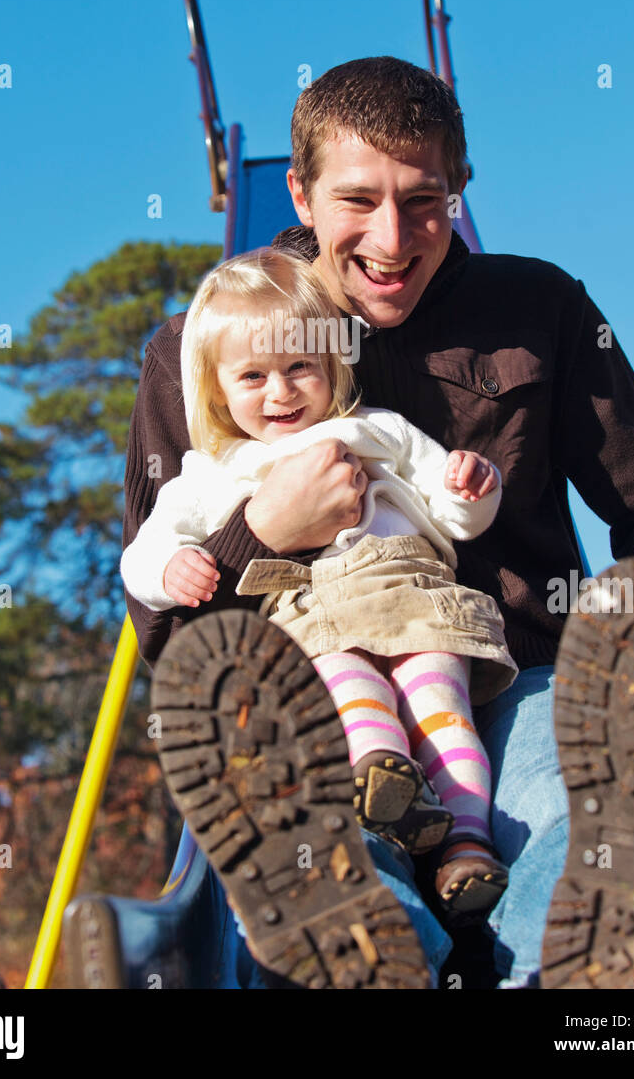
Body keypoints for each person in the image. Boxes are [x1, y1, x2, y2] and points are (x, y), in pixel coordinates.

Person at [123, 55, 634, 988]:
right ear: (299, 191)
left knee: (571, 812)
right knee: (330, 837)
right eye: (358, 200)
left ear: (460, 189)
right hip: (309, 677)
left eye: (424, 201)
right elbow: (171, 634)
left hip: (514, 669)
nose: (393, 237)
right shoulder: (203, 349)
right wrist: (262, 532)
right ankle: (373, 956)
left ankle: (597, 981)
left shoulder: (537, 310)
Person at [121, 247, 520, 919]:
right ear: (218, 389)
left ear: (331, 365)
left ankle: (468, 849)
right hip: (315, 621)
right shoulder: (216, 471)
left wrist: (473, 486)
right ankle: (382, 782)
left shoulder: (377, 430)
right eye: (253, 376)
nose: (280, 392)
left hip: (414, 604)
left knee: (447, 722)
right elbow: (145, 552)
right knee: (350, 693)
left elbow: (455, 514)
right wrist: (169, 570)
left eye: (299, 367)